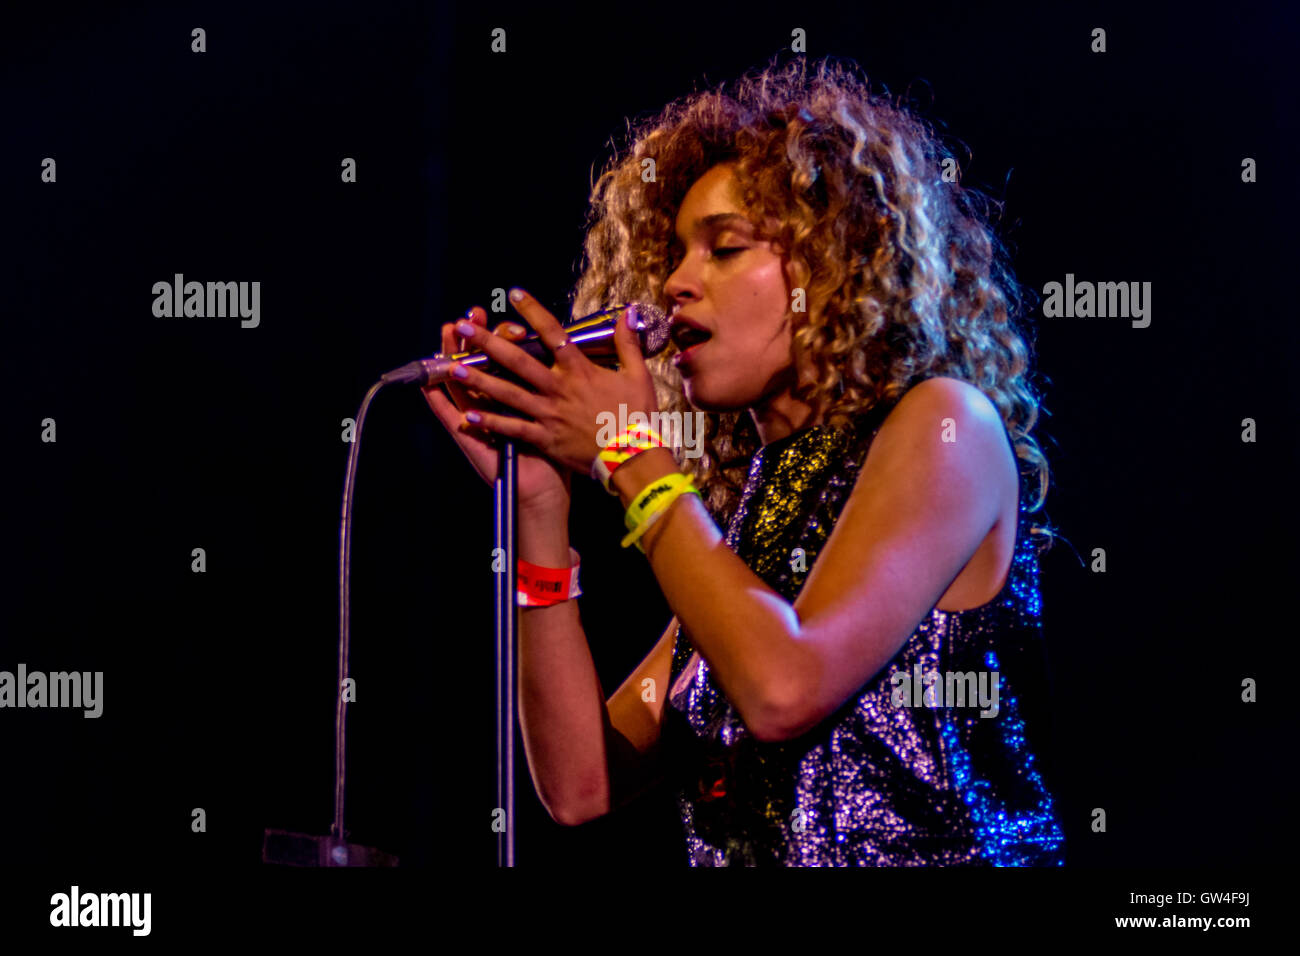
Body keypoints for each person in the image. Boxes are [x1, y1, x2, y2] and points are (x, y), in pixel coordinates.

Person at [422, 55, 1065, 866]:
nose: (675, 285)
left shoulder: (946, 425)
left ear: (836, 263)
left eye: (722, 250)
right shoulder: (741, 525)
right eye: (673, 257)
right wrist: (538, 513)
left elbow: (783, 686)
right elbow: (583, 783)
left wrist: (627, 454)